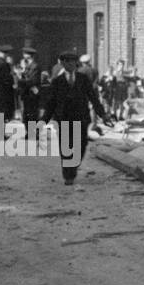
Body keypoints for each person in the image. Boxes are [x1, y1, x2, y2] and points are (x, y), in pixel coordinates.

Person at [41, 51, 112, 185]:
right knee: (66, 147)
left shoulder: (83, 79)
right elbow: (51, 103)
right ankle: (69, 175)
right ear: (62, 63)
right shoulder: (57, 82)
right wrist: (43, 121)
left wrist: (103, 115)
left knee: (82, 145)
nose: (71, 64)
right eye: (67, 62)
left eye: (73, 62)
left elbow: (93, 98)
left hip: (81, 118)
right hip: (64, 119)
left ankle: (73, 165)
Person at [17, 47, 42, 126]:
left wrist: (20, 79)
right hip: (26, 93)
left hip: (32, 93)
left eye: (24, 53)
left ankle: (32, 133)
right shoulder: (26, 66)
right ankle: (28, 132)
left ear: (29, 55)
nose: (23, 55)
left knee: (32, 114)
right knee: (26, 114)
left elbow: (33, 81)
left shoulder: (35, 66)